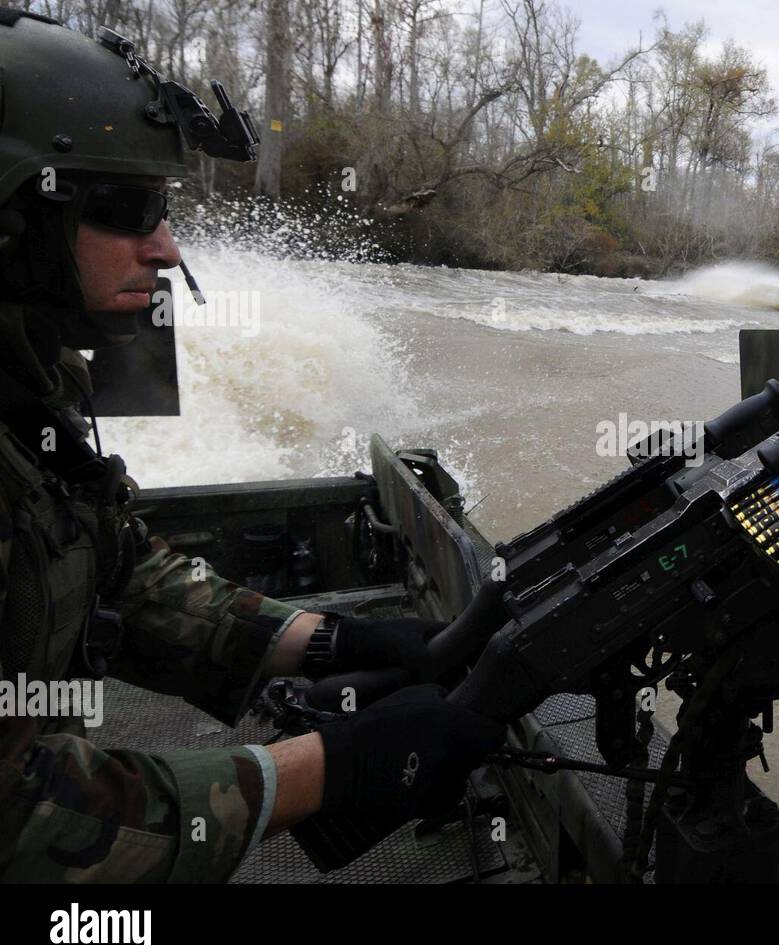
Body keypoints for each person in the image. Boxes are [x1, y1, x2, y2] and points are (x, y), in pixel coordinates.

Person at [0, 10, 502, 882]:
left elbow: (118, 568)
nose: (167, 248)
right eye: (127, 208)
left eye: (164, 208)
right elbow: (18, 820)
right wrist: (321, 772)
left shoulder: (32, 380)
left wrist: (332, 642)